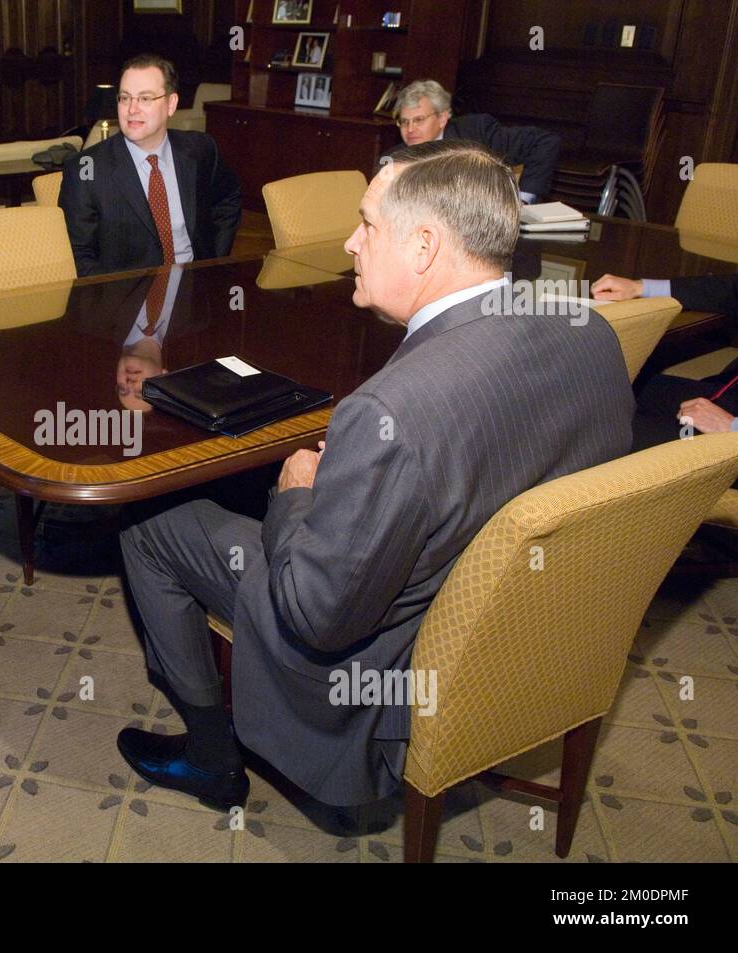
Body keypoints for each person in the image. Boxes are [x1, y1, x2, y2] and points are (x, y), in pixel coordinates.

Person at [116, 139, 634, 810]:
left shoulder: (394, 409)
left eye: (366, 223)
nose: (351, 243)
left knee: (148, 520)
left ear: (423, 246)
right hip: (535, 634)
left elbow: (316, 614)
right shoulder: (591, 333)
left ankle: (211, 756)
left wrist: (298, 494)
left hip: (387, 667)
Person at [59, 54, 241, 276]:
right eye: (125, 98)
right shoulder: (86, 170)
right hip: (126, 300)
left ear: (171, 104)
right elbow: (78, 255)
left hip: (196, 293)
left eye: (145, 98)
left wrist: (212, 262)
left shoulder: (200, 150)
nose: (132, 109)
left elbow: (228, 199)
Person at [593, 272, 738, 445]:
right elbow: (728, 291)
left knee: (605, 434)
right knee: (609, 389)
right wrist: (639, 288)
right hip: (724, 393)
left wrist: (730, 427)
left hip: (727, 437)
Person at [383, 79, 561, 203]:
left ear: (443, 118)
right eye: (404, 122)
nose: (410, 129)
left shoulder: (476, 133)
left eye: (419, 120)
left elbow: (544, 142)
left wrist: (522, 200)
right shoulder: (391, 160)